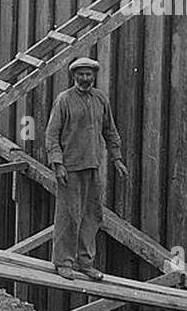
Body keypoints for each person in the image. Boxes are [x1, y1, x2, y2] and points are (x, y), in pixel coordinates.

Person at [45, 56, 127, 281]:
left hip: (93, 166)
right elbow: (51, 134)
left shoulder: (100, 99)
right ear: (74, 76)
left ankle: (85, 263)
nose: (84, 78)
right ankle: (63, 262)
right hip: (70, 168)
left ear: (94, 76)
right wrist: (57, 164)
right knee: (68, 215)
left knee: (92, 215)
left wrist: (117, 158)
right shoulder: (64, 100)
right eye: (80, 74)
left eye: (88, 74)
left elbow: (110, 130)